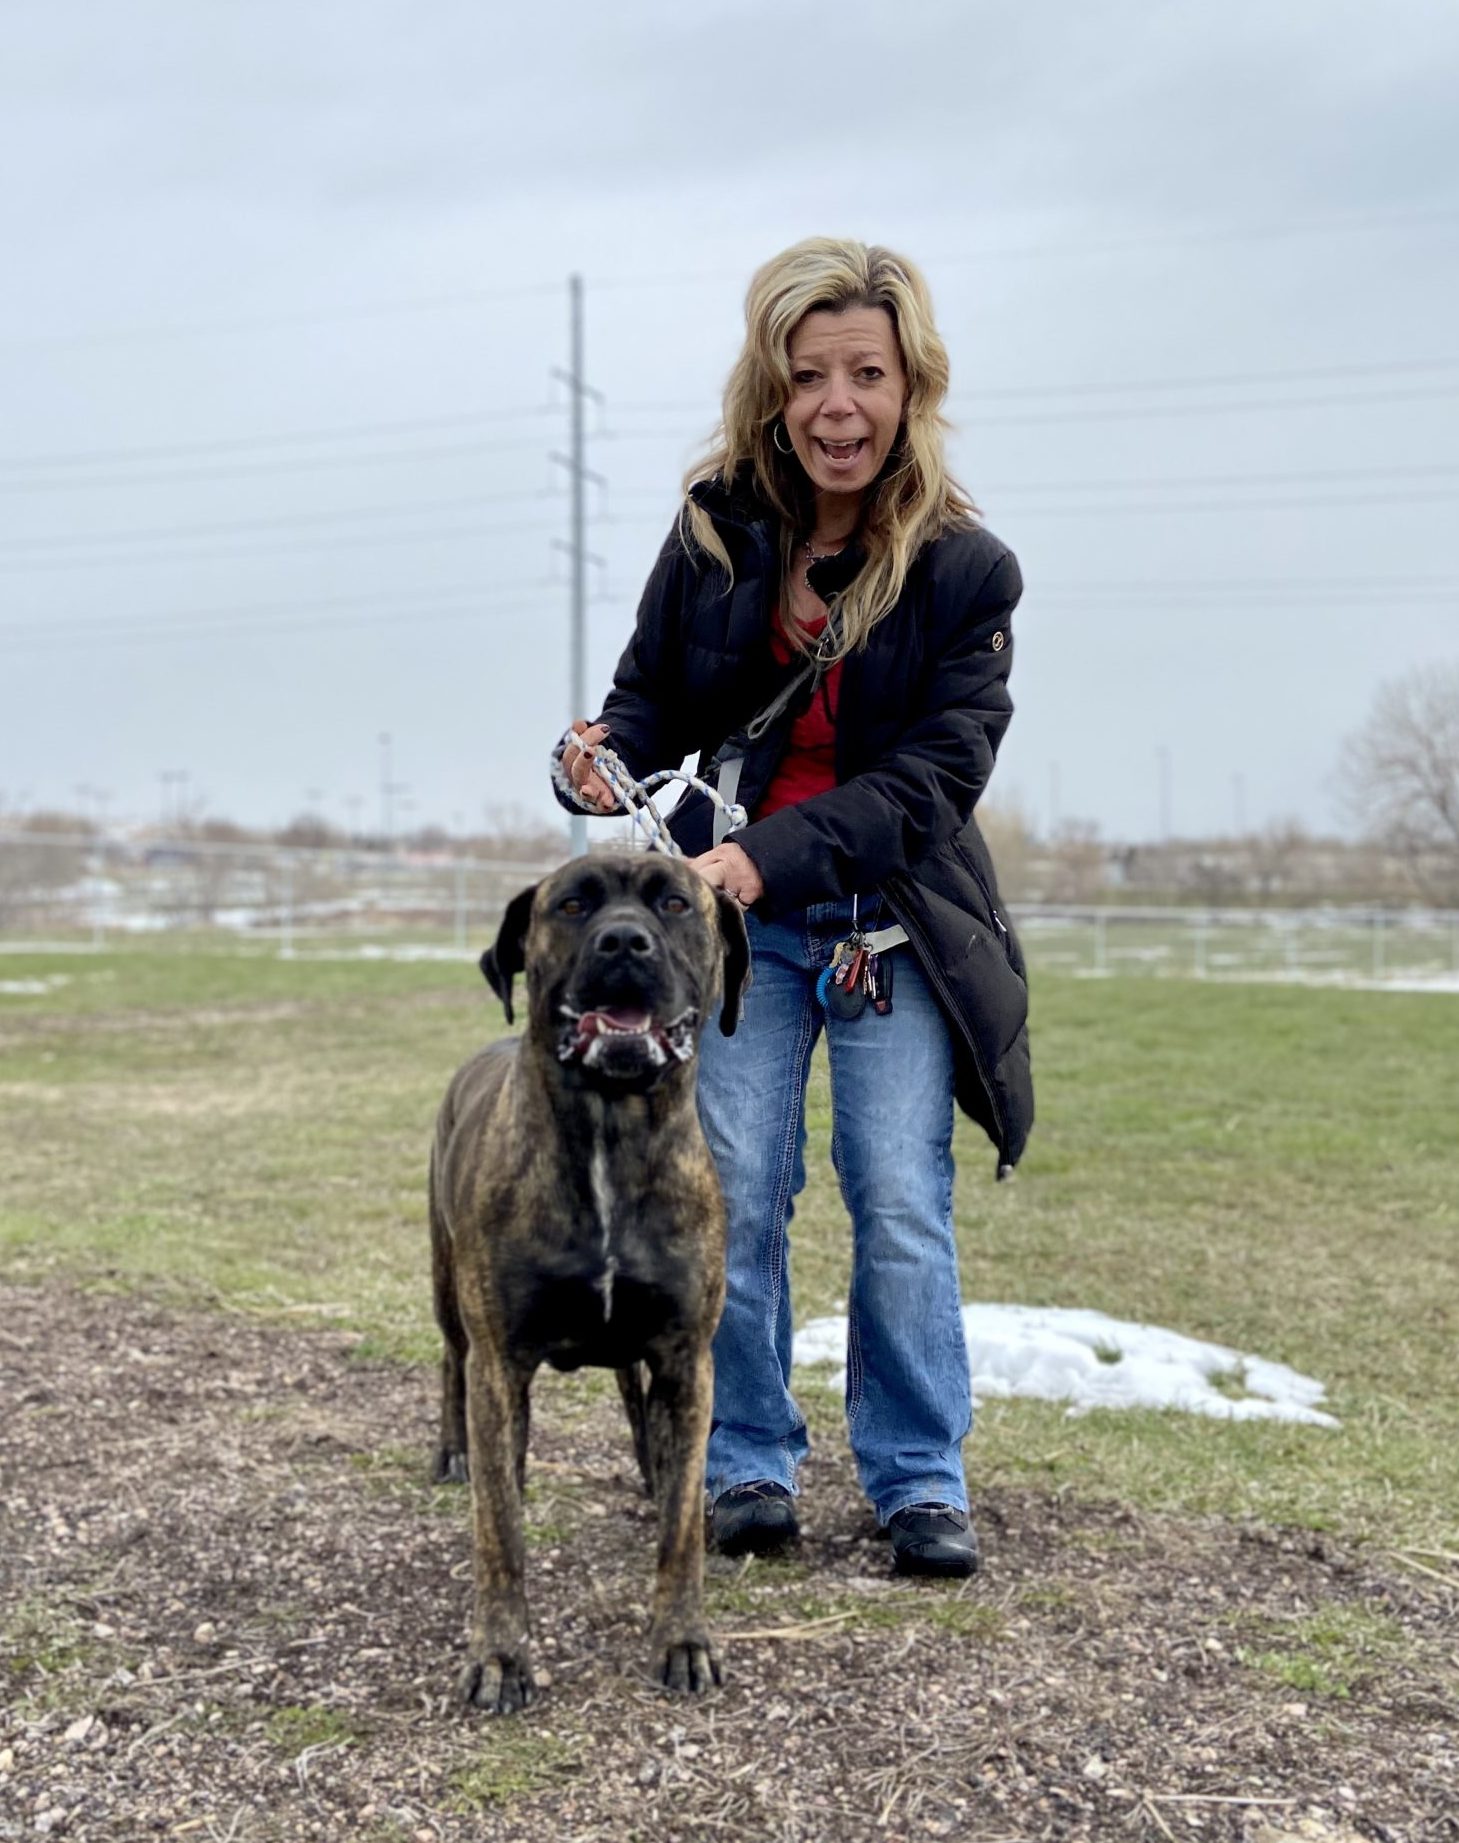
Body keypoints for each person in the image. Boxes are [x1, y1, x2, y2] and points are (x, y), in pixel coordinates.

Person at [557, 237, 1031, 1578]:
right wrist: (597, 751)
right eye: (809, 374)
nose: (838, 405)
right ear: (771, 387)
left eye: (866, 374)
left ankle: (920, 1477)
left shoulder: (966, 571)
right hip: (745, 935)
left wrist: (768, 856)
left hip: (892, 931)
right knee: (741, 1192)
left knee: (897, 1201)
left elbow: (937, 777)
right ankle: (750, 1460)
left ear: (910, 385)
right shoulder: (715, 524)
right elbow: (649, 702)